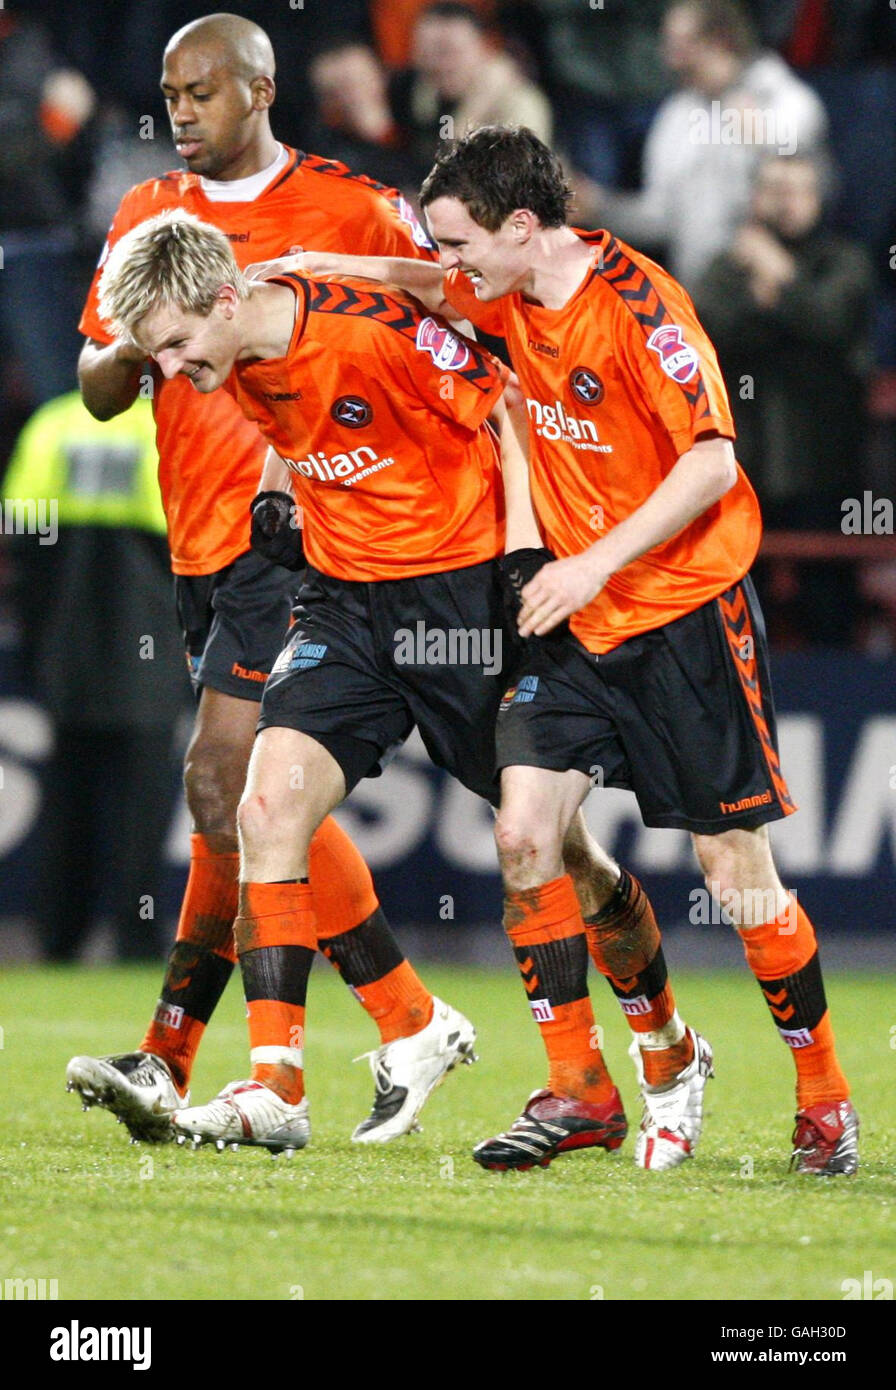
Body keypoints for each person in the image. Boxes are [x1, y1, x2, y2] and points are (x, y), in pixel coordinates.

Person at [300, 125, 859, 1176]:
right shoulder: (500, 287)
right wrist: (309, 266)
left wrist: (590, 562)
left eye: (463, 241)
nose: (451, 261)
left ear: (521, 226)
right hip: (573, 622)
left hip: (682, 610)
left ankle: (823, 1094)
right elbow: (419, 281)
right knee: (522, 833)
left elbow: (708, 462)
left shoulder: (641, 309)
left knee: (731, 871)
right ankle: (580, 1085)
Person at [94, 207, 617, 1156]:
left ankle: (641, 1053)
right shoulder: (233, 350)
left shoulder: (365, 330)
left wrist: (524, 548)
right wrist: (275, 491)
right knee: (264, 807)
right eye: (153, 355)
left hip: (457, 598)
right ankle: (273, 1088)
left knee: (548, 843)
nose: (168, 374)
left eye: (174, 346)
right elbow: (288, 422)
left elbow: (503, 403)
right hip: (342, 603)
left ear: (225, 298)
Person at [65, 12, 473, 1150]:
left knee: (226, 779)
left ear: (260, 88)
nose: (179, 112)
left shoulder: (350, 205)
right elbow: (98, 385)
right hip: (192, 537)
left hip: (298, 537)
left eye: (199, 91)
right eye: (167, 93)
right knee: (229, 802)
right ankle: (324, 1030)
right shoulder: (149, 214)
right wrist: (131, 347)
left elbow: (446, 318)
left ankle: (284, 1047)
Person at [3, 391, 189, 962]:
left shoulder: (53, 423)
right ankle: (136, 940)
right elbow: (198, 542)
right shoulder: (172, 425)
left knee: (69, 800)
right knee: (143, 803)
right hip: (151, 644)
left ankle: (60, 937)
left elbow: (20, 530)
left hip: (68, 649)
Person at [578, 0, 828, 289]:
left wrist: (762, 139)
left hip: (771, 294)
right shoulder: (676, 114)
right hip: (700, 297)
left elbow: (810, 194)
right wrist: (602, 208)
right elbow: (662, 218)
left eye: (682, 44)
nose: (670, 58)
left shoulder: (783, 98)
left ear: (721, 41)